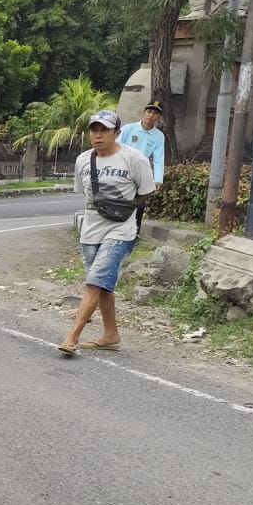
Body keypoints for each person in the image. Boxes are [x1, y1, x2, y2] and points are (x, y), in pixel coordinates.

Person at [58, 109, 155, 356]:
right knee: (103, 285)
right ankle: (111, 334)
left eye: (105, 131)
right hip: (91, 230)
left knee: (94, 282)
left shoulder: (134, 159)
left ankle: (72, 336)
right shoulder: (83, 160)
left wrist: (123, 209)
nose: (98, 136)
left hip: (121, 230)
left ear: (117, 133)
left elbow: (146, 191)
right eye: (94, 130)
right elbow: (83, 192)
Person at [120, 100, 166, 230]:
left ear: (159, 117)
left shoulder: (158, 136)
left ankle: (135, 231)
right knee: (121, 200)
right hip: (124, 169)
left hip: (141, 172)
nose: (151, 115)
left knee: (140, 203)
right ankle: (117, 228)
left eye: (155, 113)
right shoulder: (128, 129)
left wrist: (158, 178)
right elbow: (116, 146)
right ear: (144, 112)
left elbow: (158, 158)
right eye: (149, 111)